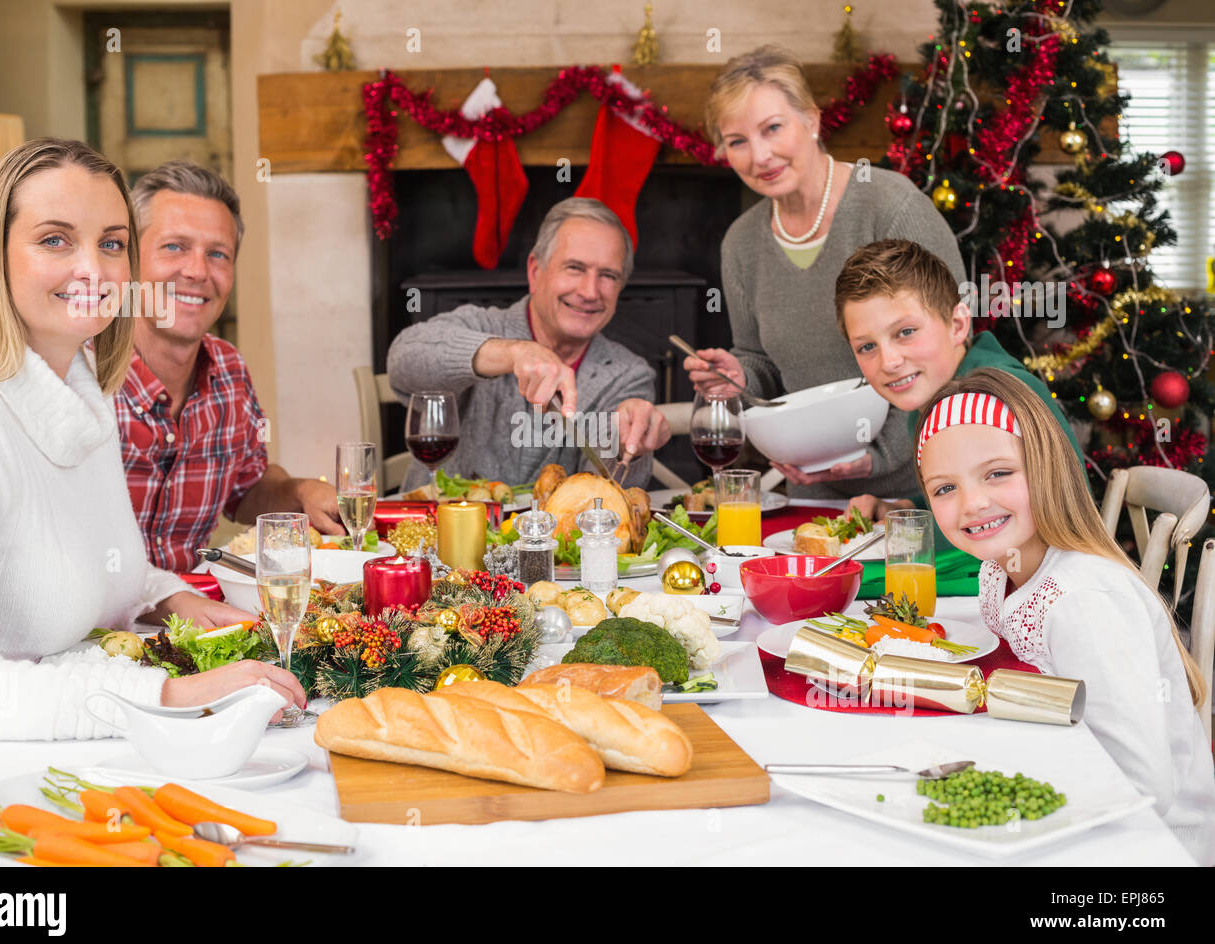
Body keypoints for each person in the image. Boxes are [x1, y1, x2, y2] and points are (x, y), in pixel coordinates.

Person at [0, 139, 303, 766]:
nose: (93, 268)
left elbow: (112, 570)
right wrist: (166, 694)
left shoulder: (83, 394)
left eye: (112, 243)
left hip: (67, 754)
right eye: (55, 240)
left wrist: (170, 595)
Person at [915, 368, 1215, 864]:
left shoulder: (1084, 601)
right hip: (1064, 780)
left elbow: (1144, 786)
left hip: (1138, 844)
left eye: (998, 473)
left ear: (1047, 467)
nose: (972, 503)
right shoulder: (1000, 569)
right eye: (944, 489)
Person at [683, 46, 965, 500]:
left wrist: (879, 455)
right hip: (815, 494)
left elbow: (952, 352)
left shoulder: (891, 208)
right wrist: (738, 375)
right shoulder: (741, 243)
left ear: (812, 120)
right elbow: (761, 364)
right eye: (737, 141)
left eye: (773, 128)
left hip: (927, 489)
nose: (760, 156)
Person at [118, 160, 341, 575]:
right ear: (130, 259)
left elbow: (248, 493)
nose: (197, 271)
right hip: (93, 632)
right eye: (175, 247)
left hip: (194, 624)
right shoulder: (81, 373)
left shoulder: (228, 368)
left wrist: (301, 491)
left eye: (217, 254)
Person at [387, 197, 670, 490]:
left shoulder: (628, 374)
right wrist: (513, 353)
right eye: (574, 268)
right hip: (438, 532)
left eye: (608, 275)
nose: (590, 291)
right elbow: (403, 360)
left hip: (558, 536)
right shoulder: (482, 325)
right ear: (535, 271)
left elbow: (606, 500)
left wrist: (628, 445)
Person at [836, 239, 1082, 522]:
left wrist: (911, 528)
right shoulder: (931, 400)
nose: (889, 362)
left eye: (905, 332)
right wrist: (902, 509)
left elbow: (1010, 518)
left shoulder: (991, 399)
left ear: (957, 326)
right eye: (867, 347)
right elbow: (971, 500)